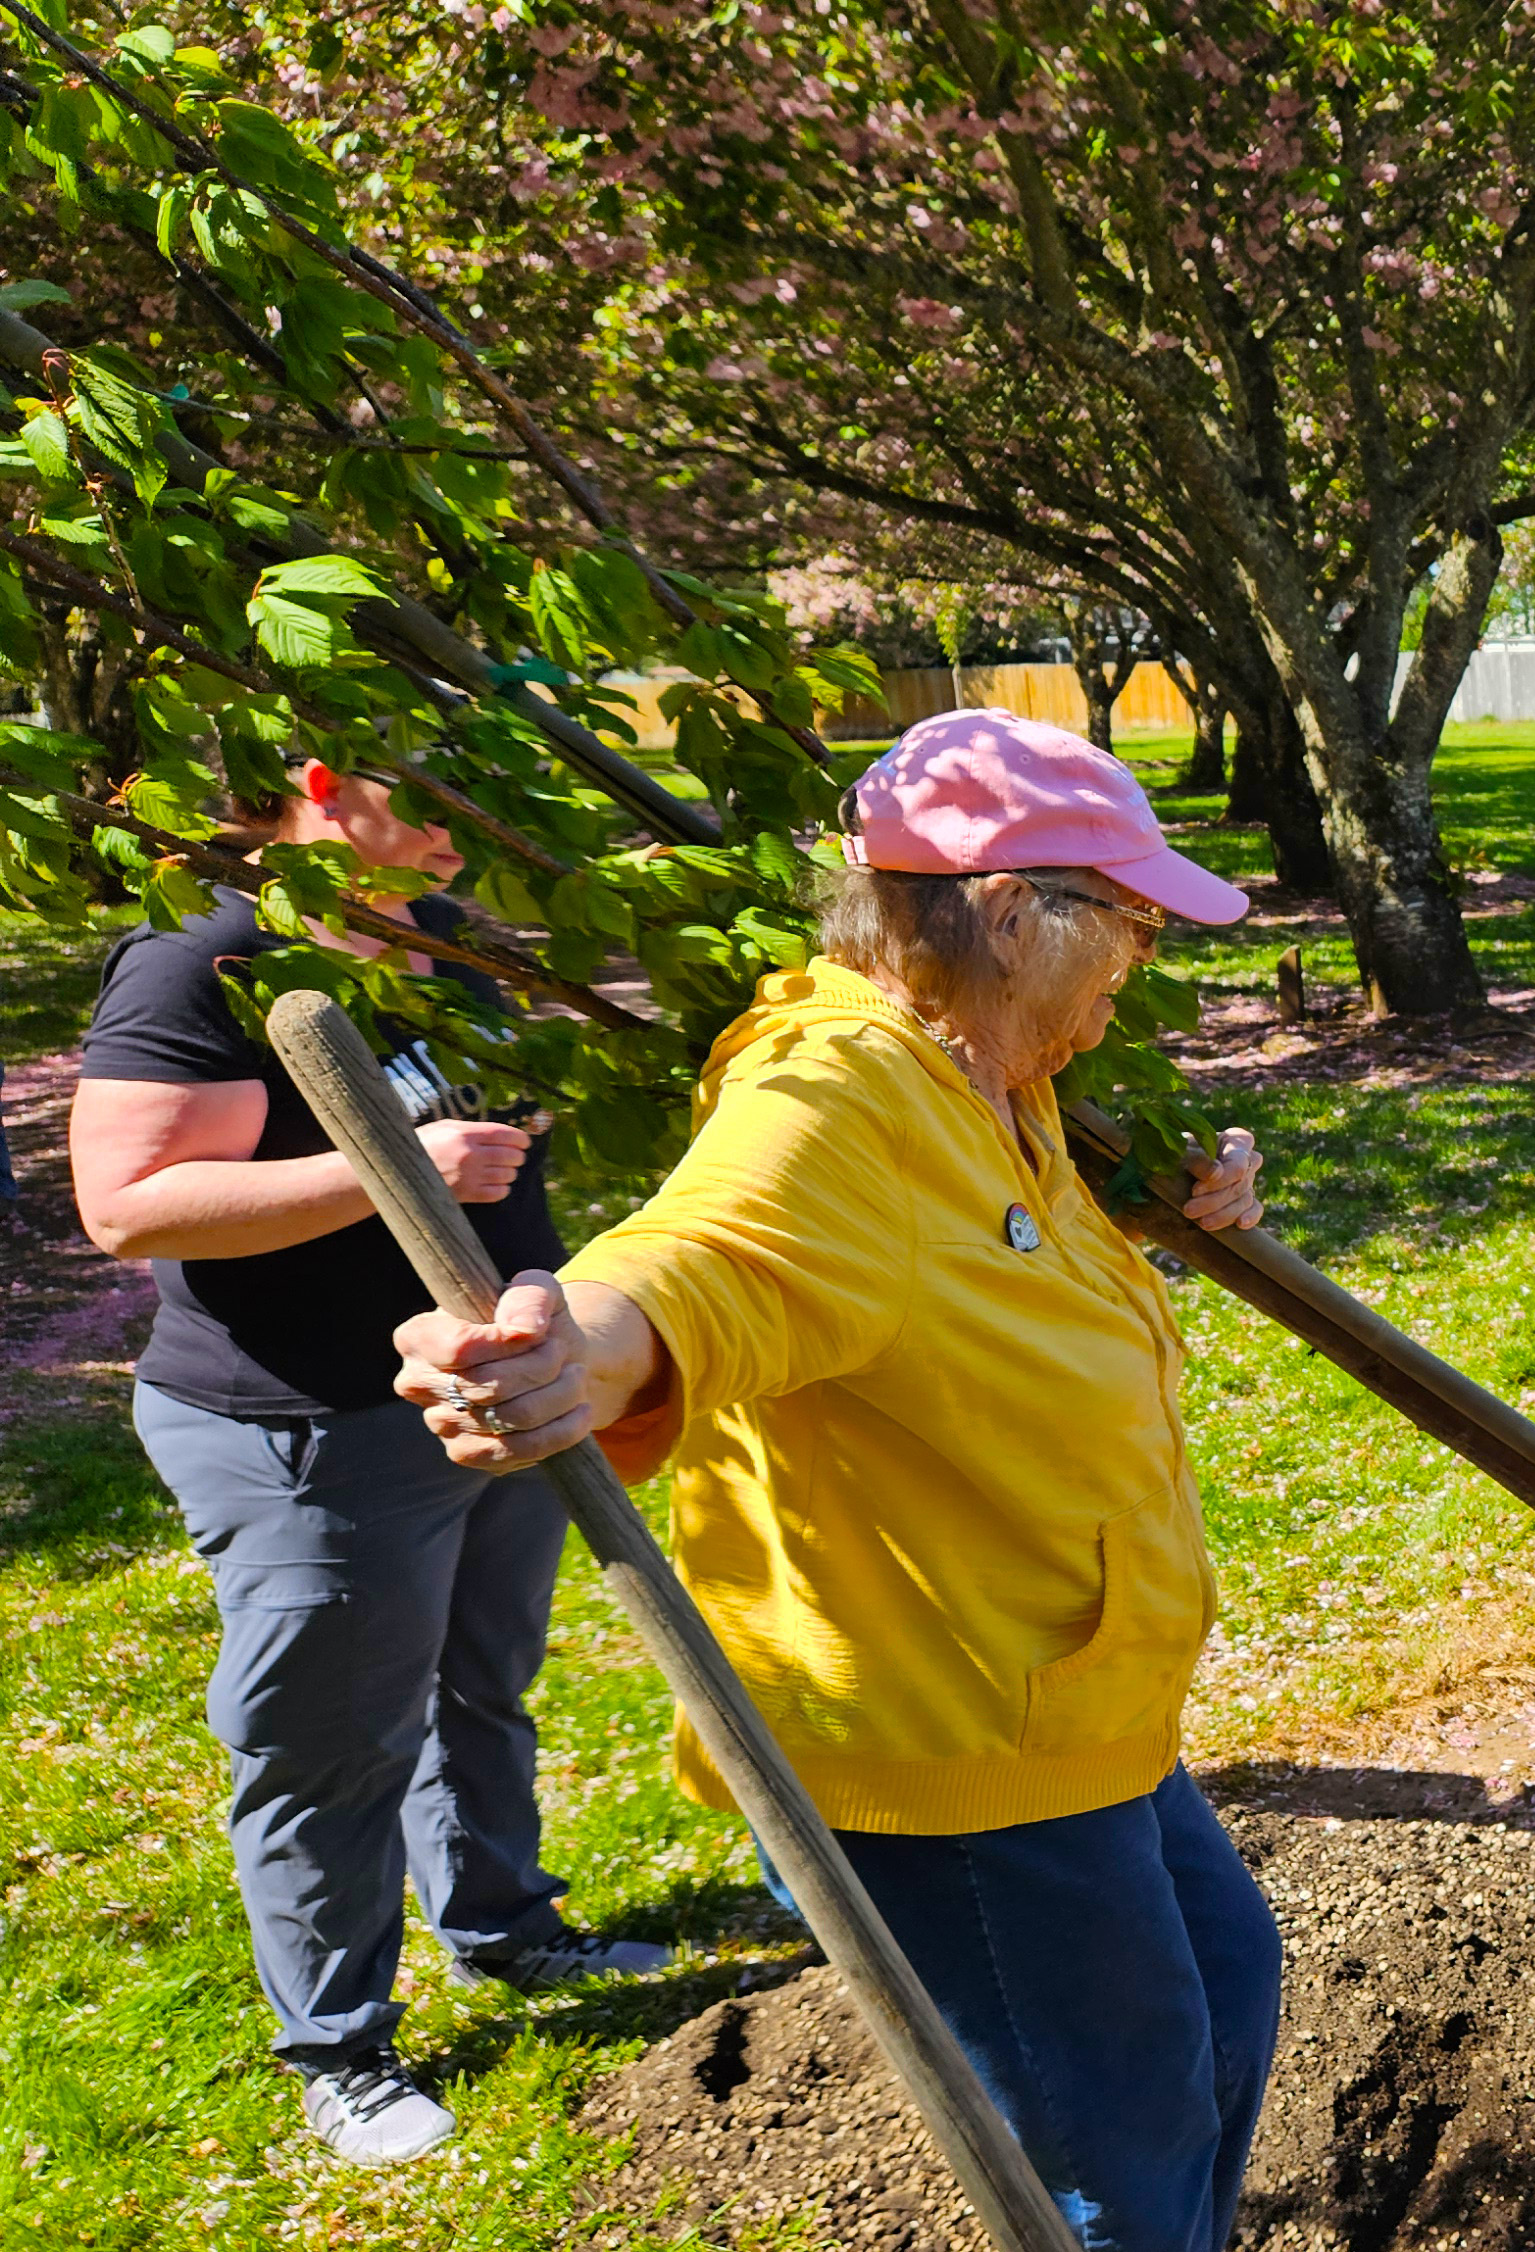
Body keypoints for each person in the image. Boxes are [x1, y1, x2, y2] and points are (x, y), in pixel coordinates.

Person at [390, 710, 1286, 2252]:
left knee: (1222, 1996)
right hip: (948, 1745)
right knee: (1114, 2146)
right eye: (1127, 922)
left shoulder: (985, 1078)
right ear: (1009, 914)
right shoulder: (838, 1094)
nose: (1138, 958)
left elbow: (959, 1280)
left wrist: (1151, 1222)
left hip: (1070, 1703)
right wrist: (574, 1348)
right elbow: (708, 1257)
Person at [71, 761, 670, 2166]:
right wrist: (388, 1165)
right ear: (318, 787)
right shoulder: (206, 957)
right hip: (308, 1428)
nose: (469, 812)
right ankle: (340, 2049)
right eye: (436, 785)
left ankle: (505, 1930)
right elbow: (127, 1204)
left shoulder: (426, 944)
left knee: (480, 1682)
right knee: (331, 1741)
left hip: (480, 1404)